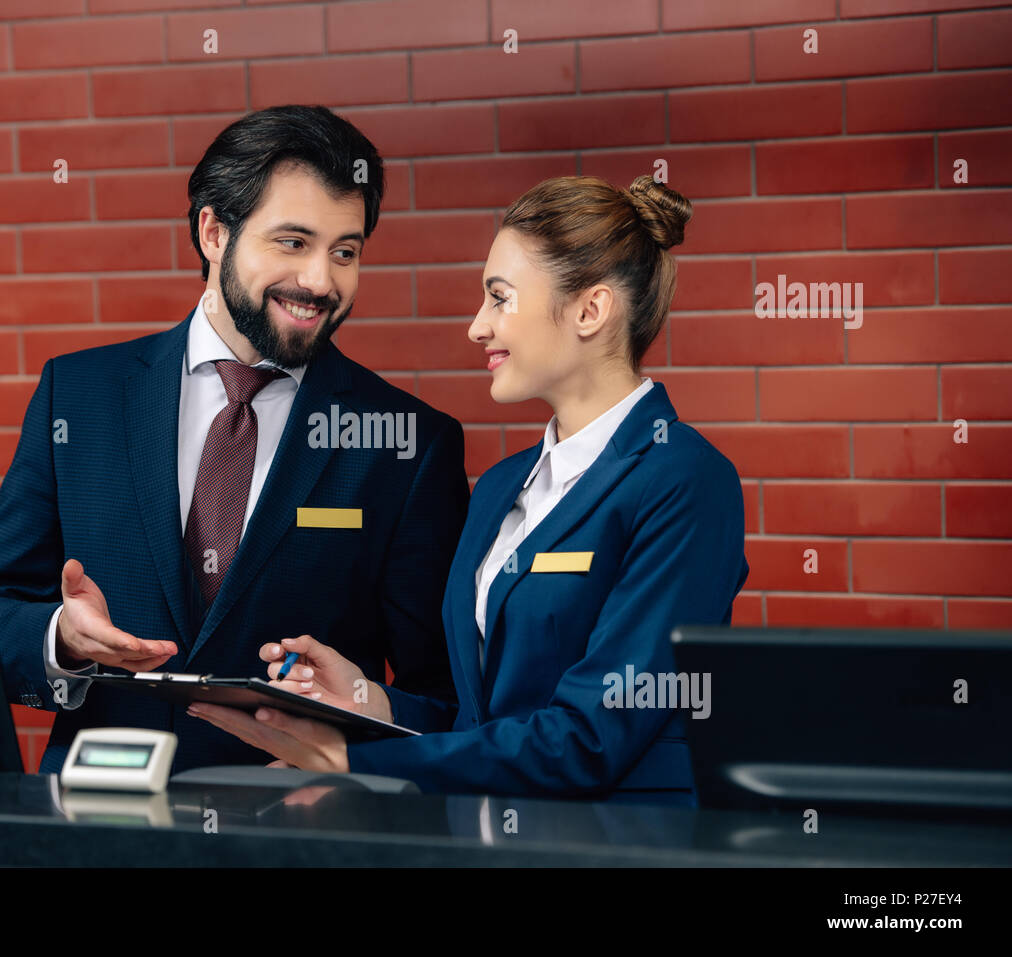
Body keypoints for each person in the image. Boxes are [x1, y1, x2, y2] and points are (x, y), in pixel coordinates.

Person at [189, 175, 750, 804]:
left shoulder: (685, 481)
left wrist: (354, 761)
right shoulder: (502, 488)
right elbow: (478, 727)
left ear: (590, 311)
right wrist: (366, 700)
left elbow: (592, 739)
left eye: (500, 298)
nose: (477, 327)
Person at [0, 106, 468, 774]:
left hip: (300, 837)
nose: (320, 281)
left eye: (345, 251)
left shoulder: (410, 444)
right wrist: (63, 639)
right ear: (214, 231)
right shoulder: (77, 397)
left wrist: (359, 718)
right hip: (95, 828)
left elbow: (446, 703)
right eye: (292, 242)